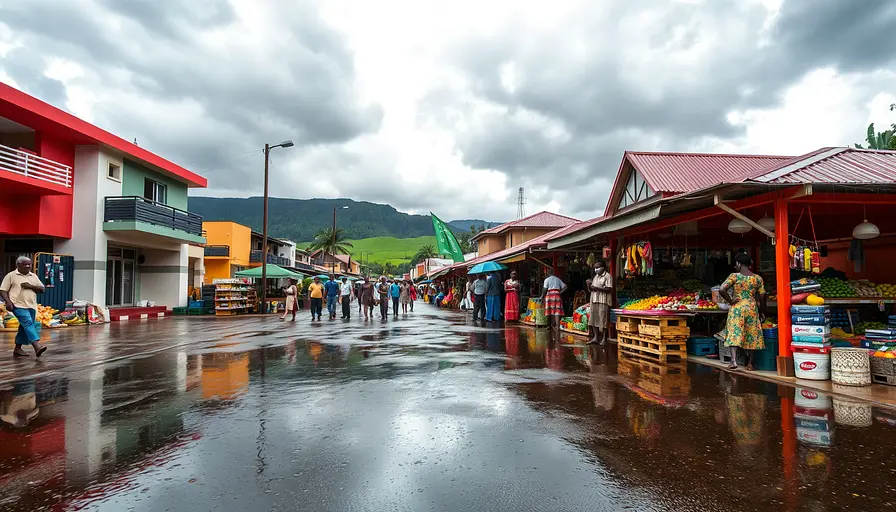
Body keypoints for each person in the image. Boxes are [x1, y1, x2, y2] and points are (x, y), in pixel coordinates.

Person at [719, 253, 765, 371]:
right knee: (752, 333)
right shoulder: (757, 278)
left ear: (738, 263)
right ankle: (750, 364)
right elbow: (762, 296)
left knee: (734, 332)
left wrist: (730, 300)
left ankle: (733, 361)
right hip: (751, 307)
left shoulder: (734, 276)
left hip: (737, 307)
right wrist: (762, 312)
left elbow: (722, 289)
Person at [0, 256, 48, 358]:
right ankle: (36, 346)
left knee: (23, 327)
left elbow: (42, 289)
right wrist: (8, 302)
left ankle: (18, 348)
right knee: (28, 323)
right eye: (25, 264)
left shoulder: (33, 276)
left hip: (31, 305)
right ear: (18, 265)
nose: (27, 266)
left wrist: (30, 286)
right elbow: (3, 290)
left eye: (29, 264)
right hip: (17, 304)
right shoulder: (11, 275)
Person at [587, 259, 613, 345]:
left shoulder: (607, 276)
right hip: (594, 300)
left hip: (603, 301)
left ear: (603, 267)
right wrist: (589, 285)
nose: (596, 269)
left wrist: (597, 288)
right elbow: (591, 289)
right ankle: (596, 337)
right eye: (595, 268)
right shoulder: (595, 277)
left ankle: (604, 339)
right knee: (593, 319)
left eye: (598, 267)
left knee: (603, 320)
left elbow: (609, 289)